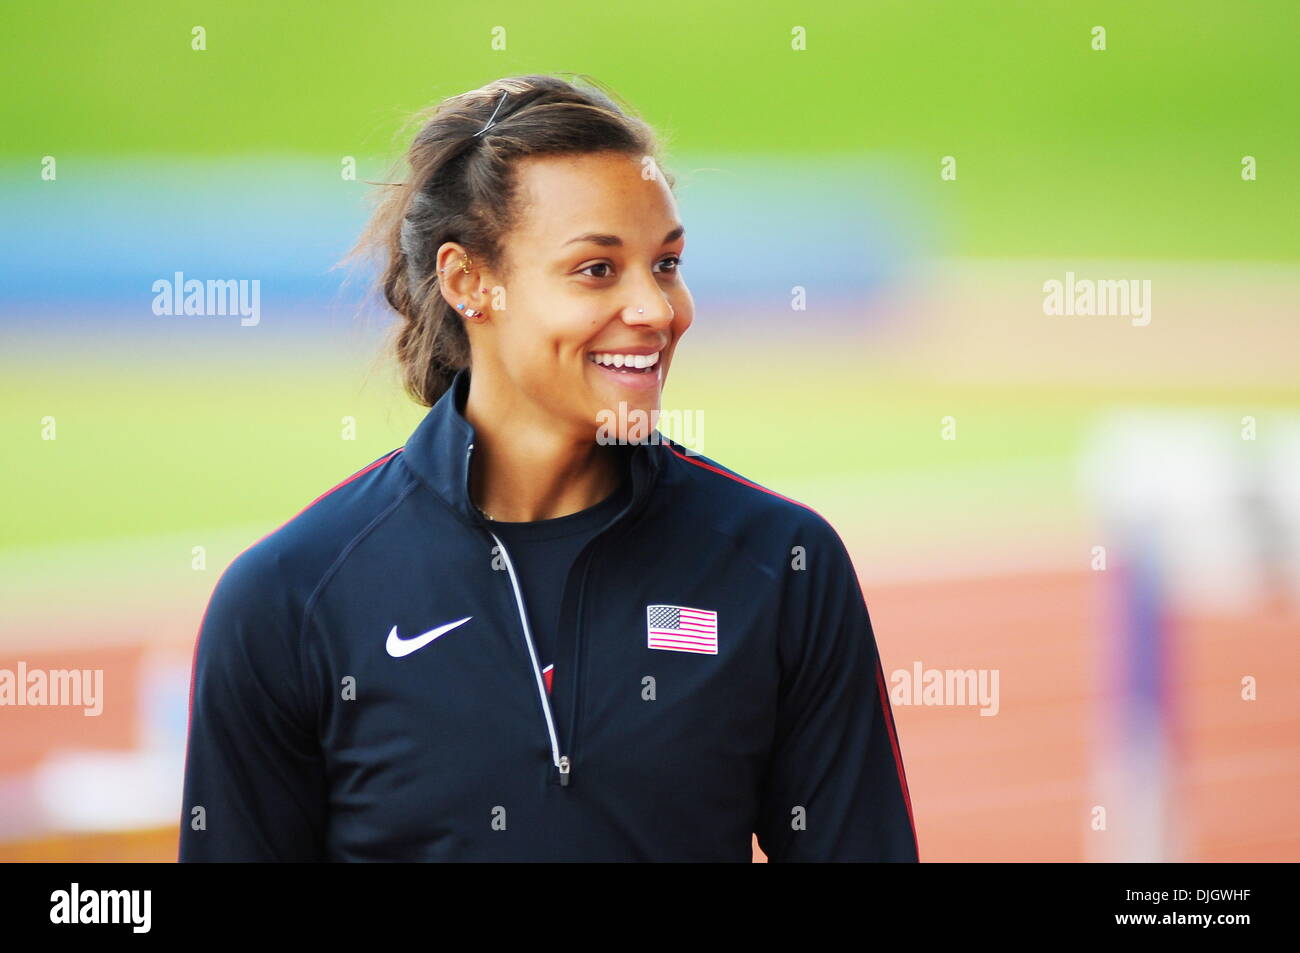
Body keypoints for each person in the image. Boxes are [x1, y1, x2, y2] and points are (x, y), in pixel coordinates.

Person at [179, 74, 918, 862]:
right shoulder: (292, 597)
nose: (658, 310)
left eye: (666, 264)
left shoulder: (782, 564)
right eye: (597, 269)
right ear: (470, 283)